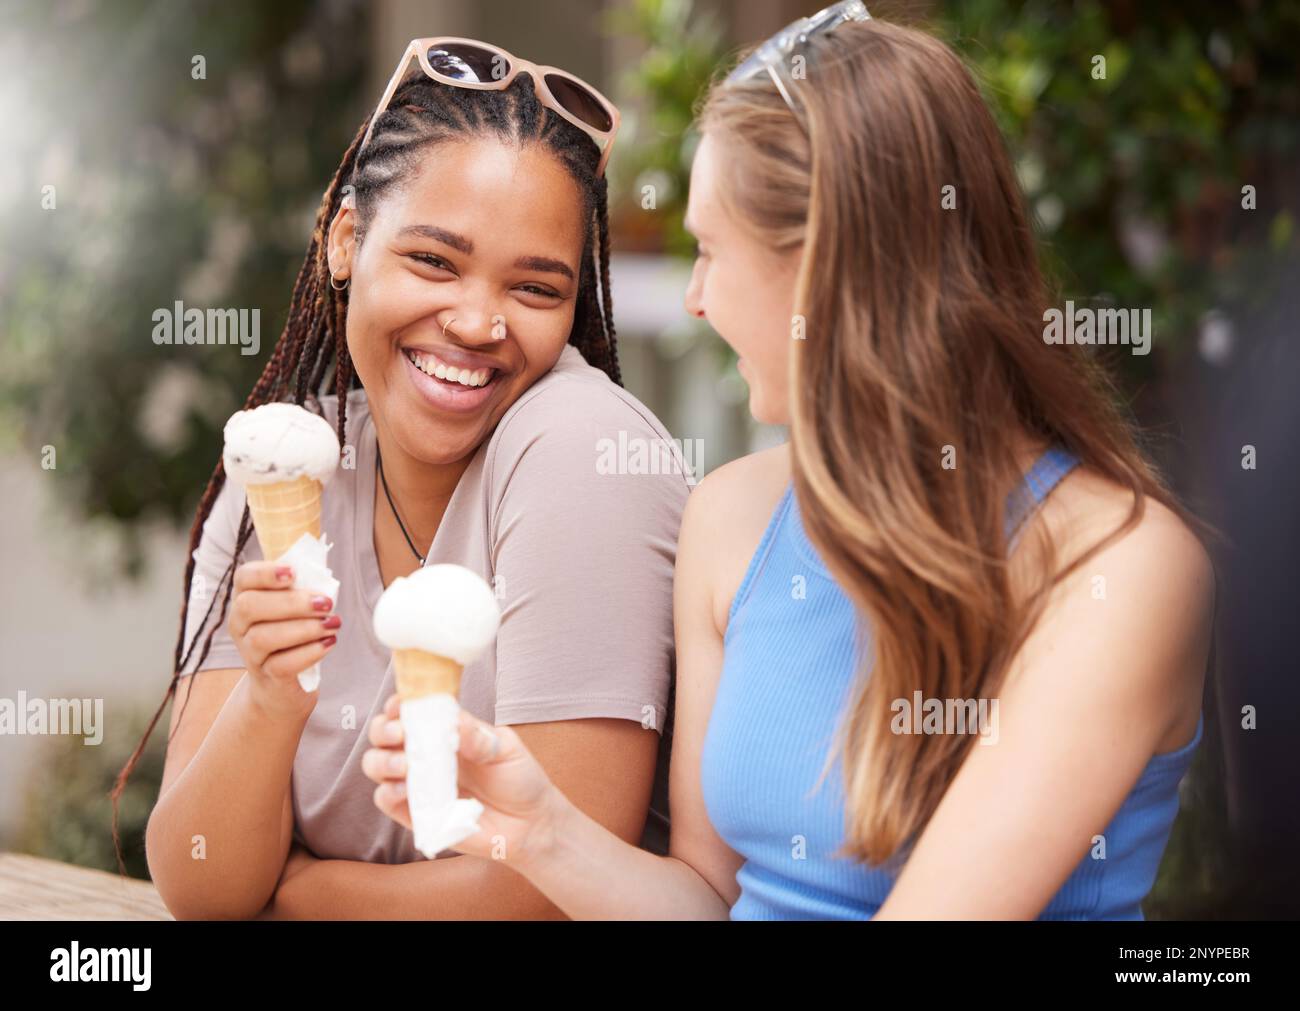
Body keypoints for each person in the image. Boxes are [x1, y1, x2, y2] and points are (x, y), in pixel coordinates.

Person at [364, 10, 1215, 920]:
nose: (692, 300)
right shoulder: (733, 520)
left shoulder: (1119, 572)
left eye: (712, 252)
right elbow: (709, 902)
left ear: (820, 272)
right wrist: (539, 830)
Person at [122, 39, 689, 919]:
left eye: (536, 288)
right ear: (348, 240)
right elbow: (201, 878)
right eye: (434, 260)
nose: (475, 321)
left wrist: (297, 890)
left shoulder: (582, 450)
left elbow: (546, 895)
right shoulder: (288, 468)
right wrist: (271, 696)